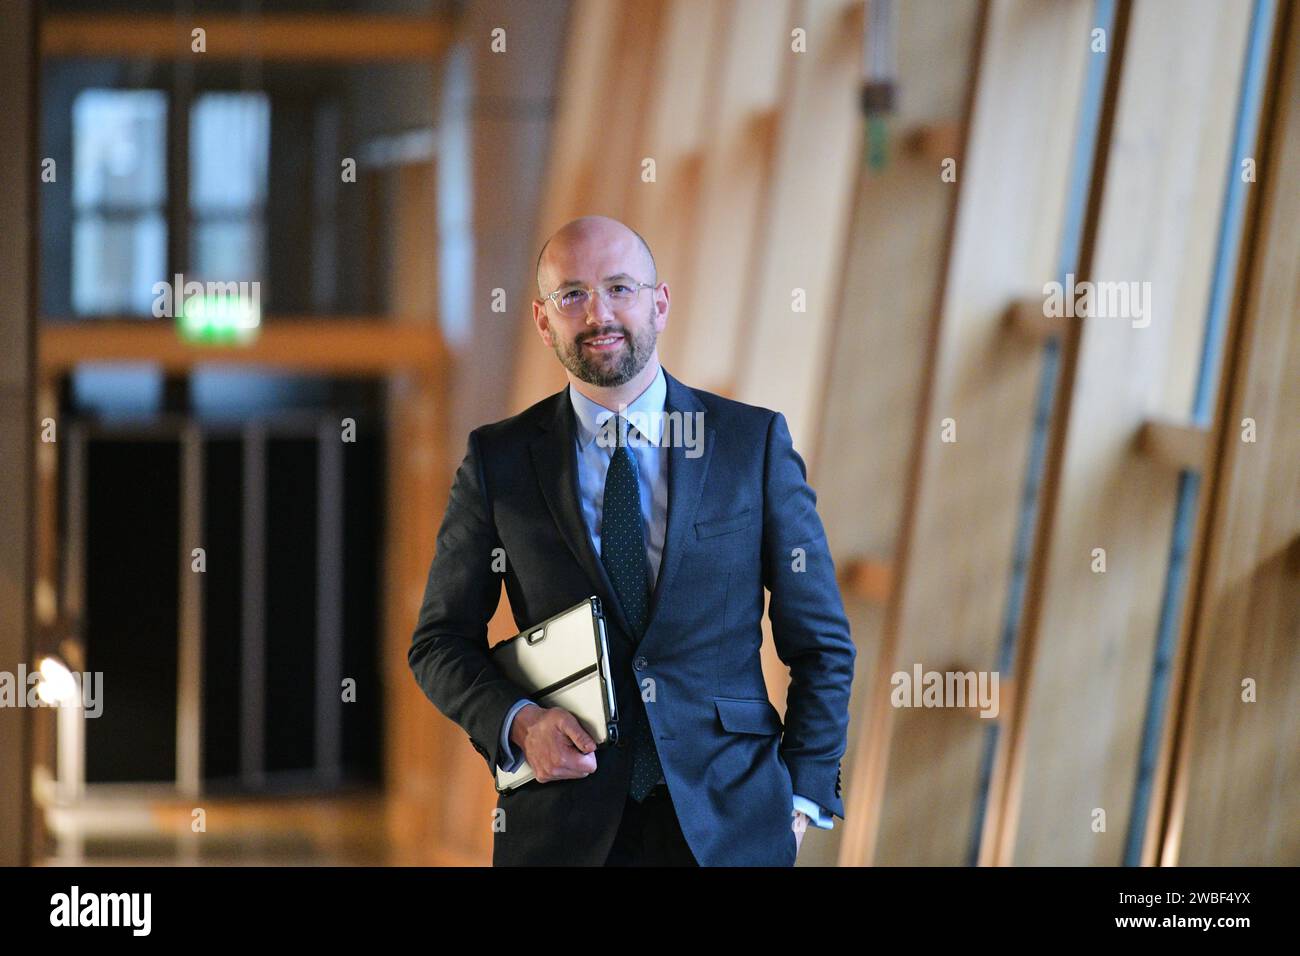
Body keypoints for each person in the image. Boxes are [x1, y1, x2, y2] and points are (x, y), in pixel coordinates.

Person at [408, 215, 855, 865]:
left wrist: (802, 801)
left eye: (620, 287)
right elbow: (438, 642)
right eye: (573, 295)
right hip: (562, 830)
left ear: (660, 302)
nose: (600, 313)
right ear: (542, 320)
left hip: (732, 826)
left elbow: (821, 641)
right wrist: (520, 723)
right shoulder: (498, 461)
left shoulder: (749, 445)